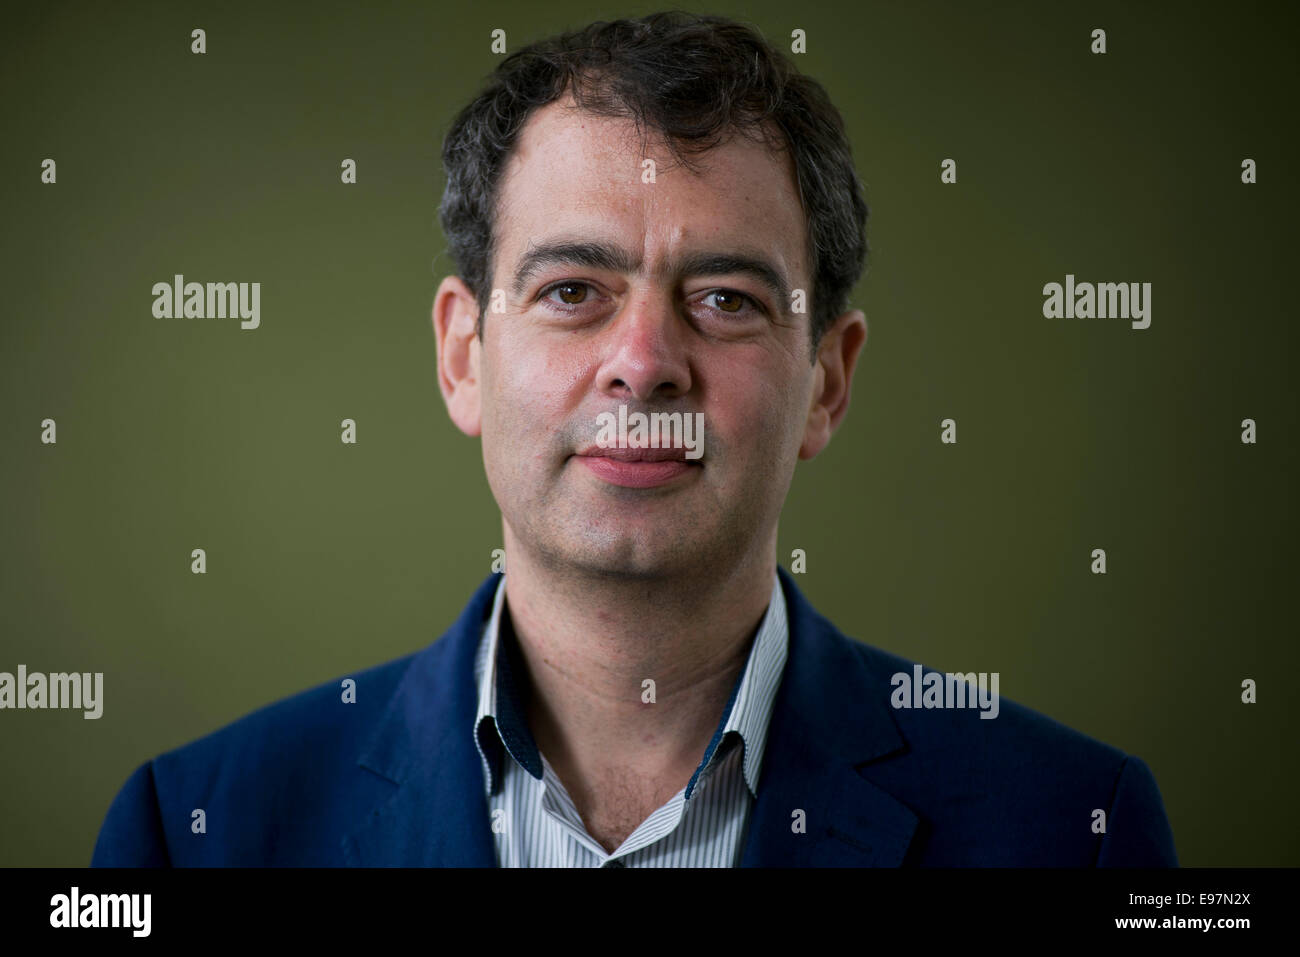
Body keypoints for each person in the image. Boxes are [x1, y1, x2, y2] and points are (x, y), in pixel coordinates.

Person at [92, 11, 1176, 867]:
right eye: (573, 290)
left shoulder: (1074, 830)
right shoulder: (192, 834)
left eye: (725, 299)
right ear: (463, 355)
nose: (645, 358)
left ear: (828, 381)